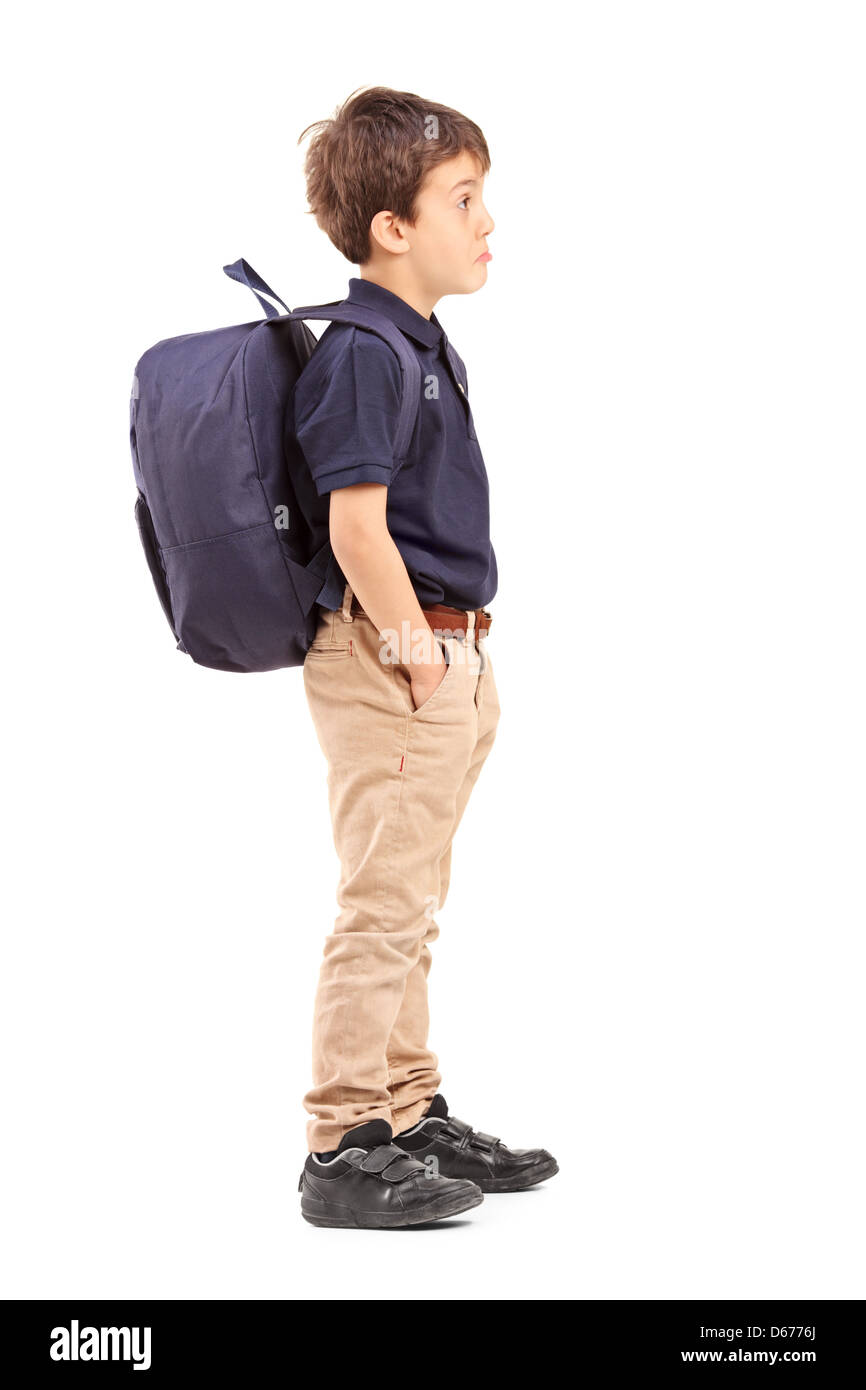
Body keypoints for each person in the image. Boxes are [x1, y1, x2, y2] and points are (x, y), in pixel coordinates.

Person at [293, 86, 558, 1229]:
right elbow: (356, 526)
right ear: (391, 228)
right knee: (381, 904)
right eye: (463, 199)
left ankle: (405, 1108)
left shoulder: (416, 342)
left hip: (445, 655)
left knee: (413, 902)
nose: (486, 221)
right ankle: (342, 1142)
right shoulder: (364, 349)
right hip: (400, 660)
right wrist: (416, 660)